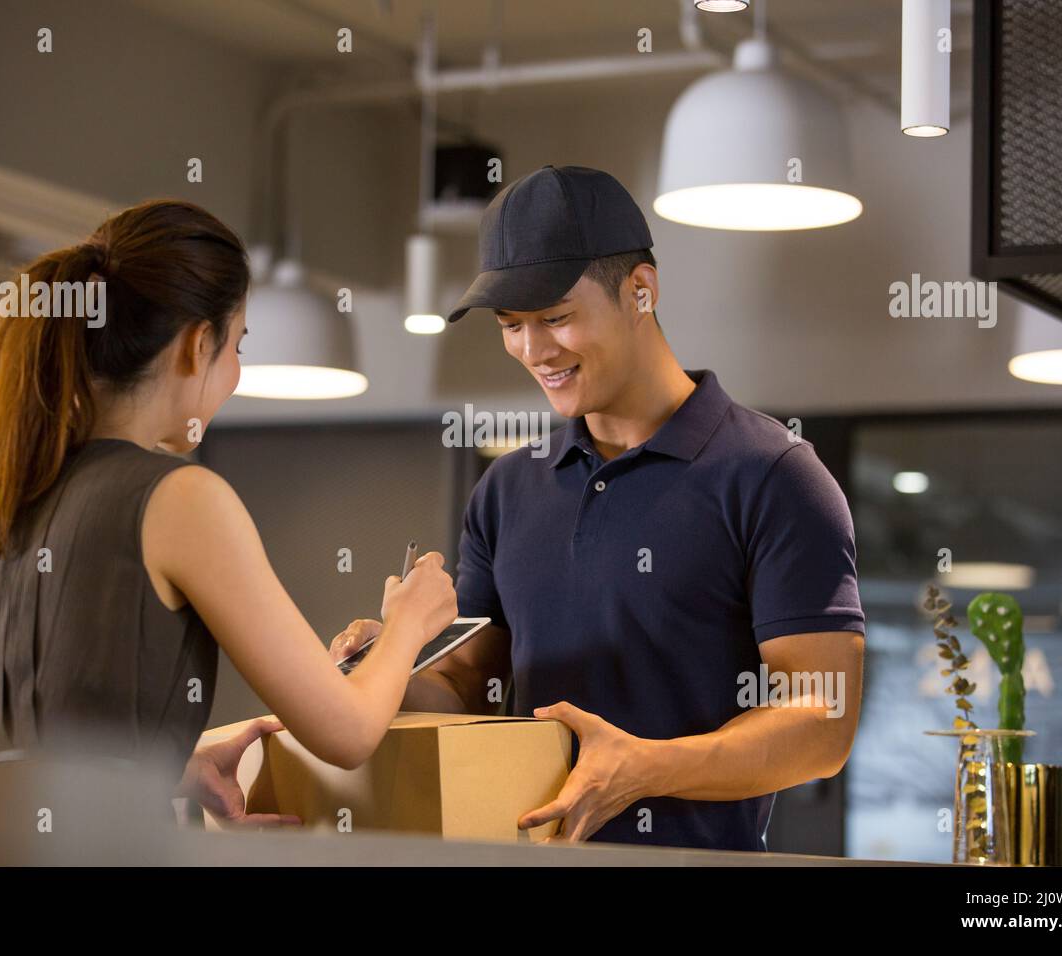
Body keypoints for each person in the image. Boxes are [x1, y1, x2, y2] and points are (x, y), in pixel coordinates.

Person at [339, 165, 866, 851]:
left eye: (555, 318)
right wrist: (389, 666)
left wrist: (648, 768)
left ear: (640, 291)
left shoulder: (774, 476)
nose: (534, 351)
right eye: (511, 324)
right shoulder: (506, 491)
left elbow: (821, 722)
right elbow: (467, 685)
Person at [0, 199, 457, 824]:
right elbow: (346, 732)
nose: (234, 374)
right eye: (237, 346)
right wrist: (407, 627)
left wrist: (164, 766)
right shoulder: (178, 498)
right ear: (196, 344)